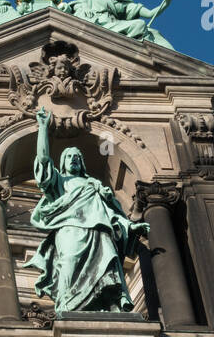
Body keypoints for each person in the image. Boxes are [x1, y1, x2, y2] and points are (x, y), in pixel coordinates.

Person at [25, 106, 149, 313]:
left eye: (77, 157)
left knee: (107, 264)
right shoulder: (60, 182)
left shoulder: (94, 184)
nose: (73, 159)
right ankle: (68, 304)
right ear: (62, 164)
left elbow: (111, 212)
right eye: (69, 157)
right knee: (69, 262)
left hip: (99, 231)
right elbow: (44, 161)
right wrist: (43, 129)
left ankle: (112, 303)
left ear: (82, 163)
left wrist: (129, 225)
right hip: (70, 230)